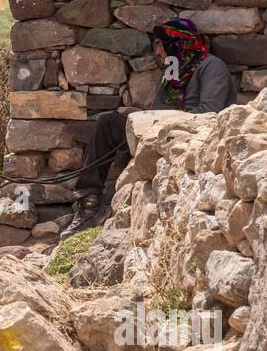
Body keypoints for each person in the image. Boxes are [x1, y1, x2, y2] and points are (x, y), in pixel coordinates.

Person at [60, 18, 237, 239]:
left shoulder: (211, 66)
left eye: (161, 45)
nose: (157, 52)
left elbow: (209, 112)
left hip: (190, 139)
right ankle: (89, 204)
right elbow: (159, 110)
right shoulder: (174, 72)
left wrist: (162, 123)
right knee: (109, 124)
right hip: (162, 135)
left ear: (177, 44)